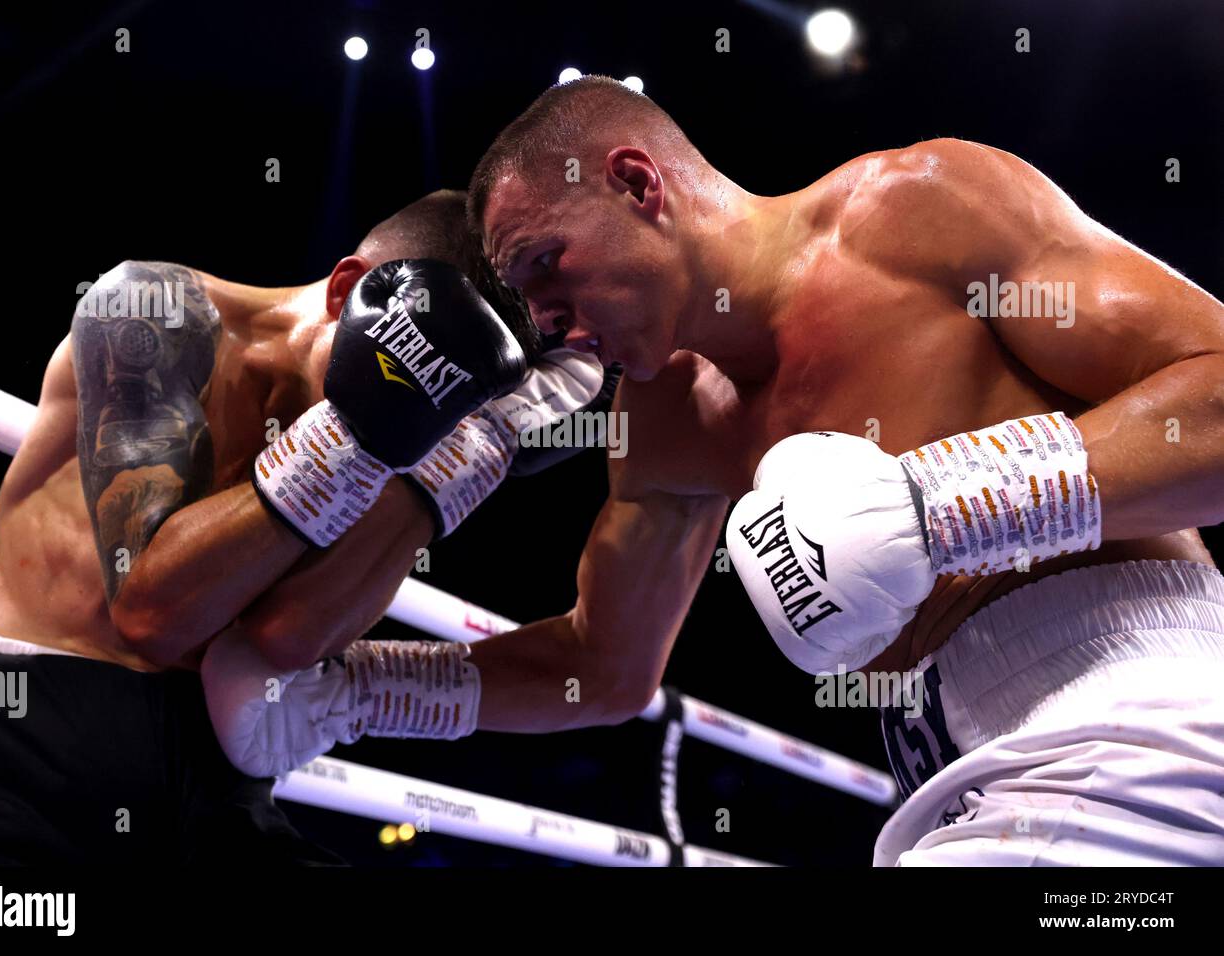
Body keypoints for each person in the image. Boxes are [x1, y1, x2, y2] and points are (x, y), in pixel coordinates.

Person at [280, 75, 1220, 865]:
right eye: (526, 301)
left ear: (636, 182)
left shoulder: (914, 214)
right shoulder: (665, 420)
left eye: (543, 265)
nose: (546, 321)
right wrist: (351, 690)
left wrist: (946, 505)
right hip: (954, 781)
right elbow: (601, 669)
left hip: (1136, 711)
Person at [0, 190, 610, 864]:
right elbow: (151, 614)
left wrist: (467, 455)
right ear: (349, 290)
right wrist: (359, 431)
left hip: (218, 787)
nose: (423, 429)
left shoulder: (417, 442)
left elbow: (291, 637)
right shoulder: (156, 311)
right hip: (21, 749)